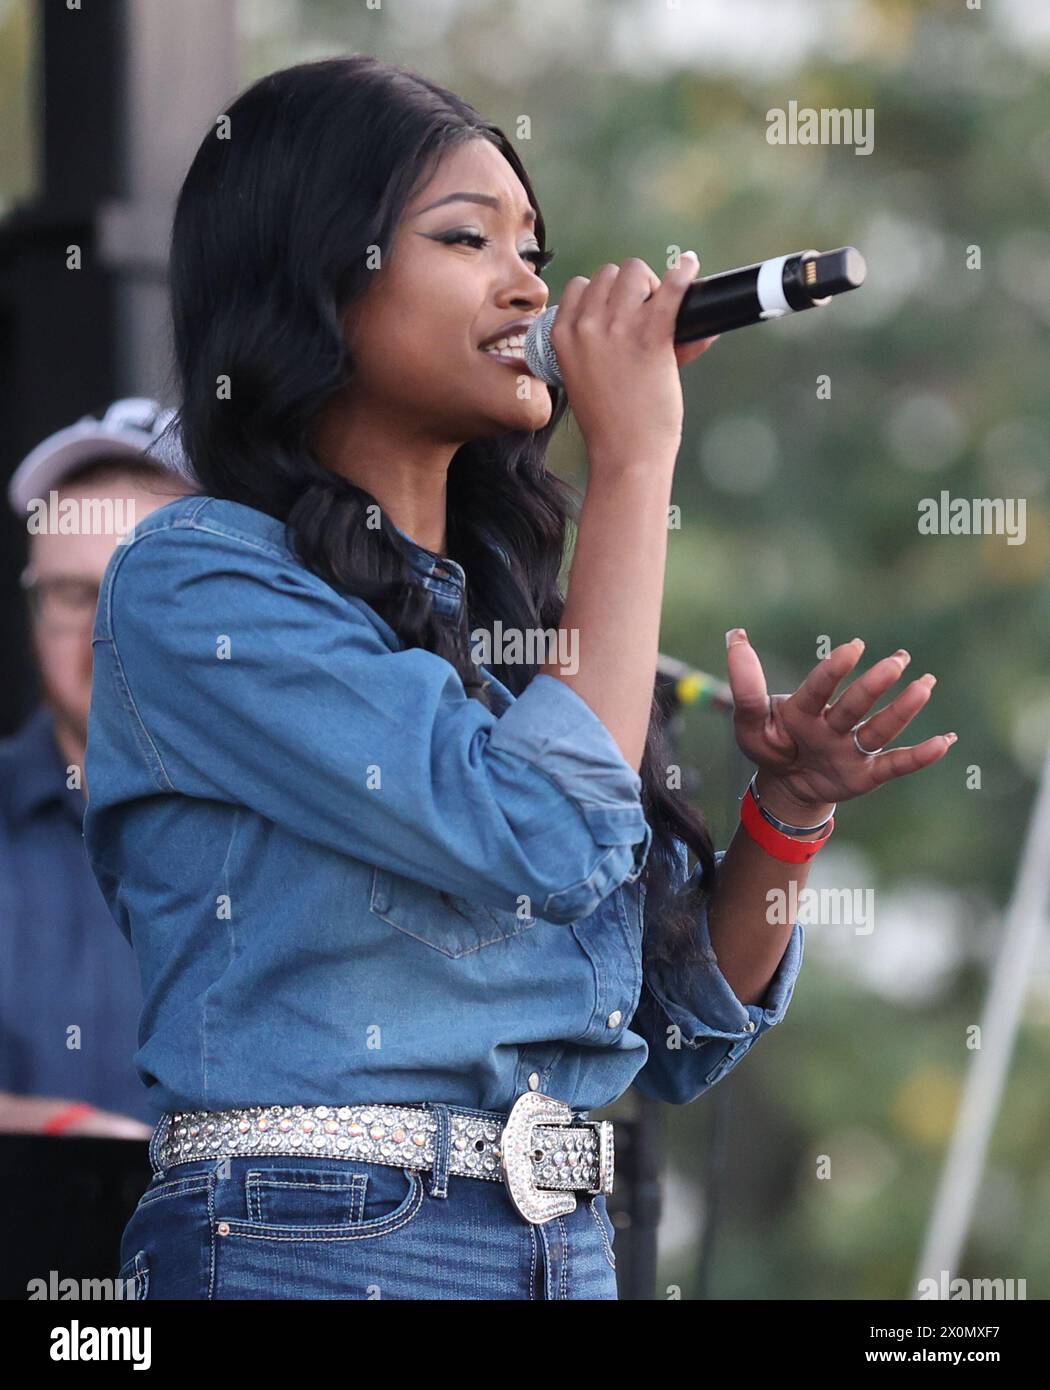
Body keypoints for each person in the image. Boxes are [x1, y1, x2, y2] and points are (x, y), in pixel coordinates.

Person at [83, 57, 955, 1301]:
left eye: (535, 247)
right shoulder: (197, 585)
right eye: (465, 236)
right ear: (314, 272)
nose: (529, 284)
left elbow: (677, 1028)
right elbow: (537, 828)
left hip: (564, 1249)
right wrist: (639, 459)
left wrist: (787, 818)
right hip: (309, 1244)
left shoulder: (515, 626)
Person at [1, 399, 190, 1137]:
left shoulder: (321, 827)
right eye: (74, 595)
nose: (103, 634)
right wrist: (54, 1134)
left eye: (138, 591)